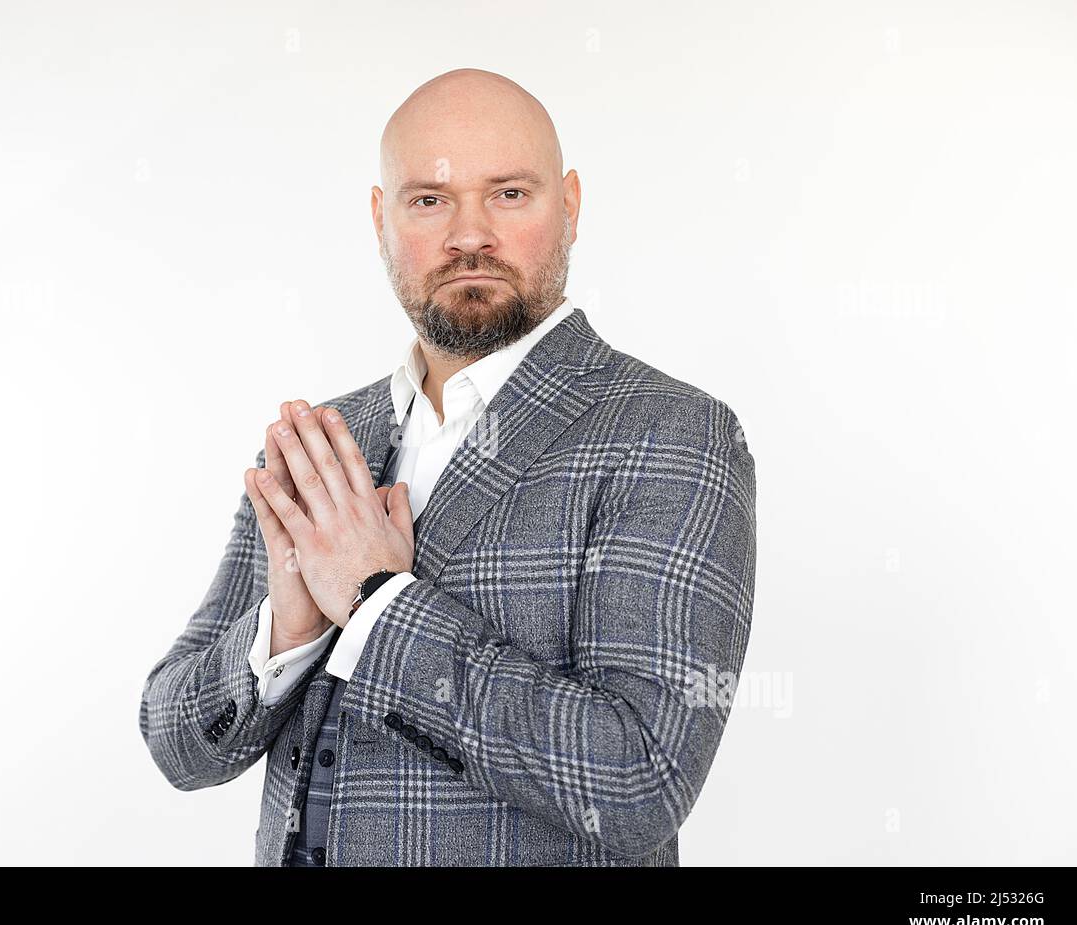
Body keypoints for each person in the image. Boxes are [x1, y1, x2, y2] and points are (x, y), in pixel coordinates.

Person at [139, 67, 757, 866]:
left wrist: (375, 604)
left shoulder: (675, 434)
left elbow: (639, 784)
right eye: (429, 200)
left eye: (509, 194)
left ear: (569, 205)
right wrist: (286, 632)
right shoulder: (322, 444)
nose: (470, 235)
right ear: (381, 218)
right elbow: (177, 746)